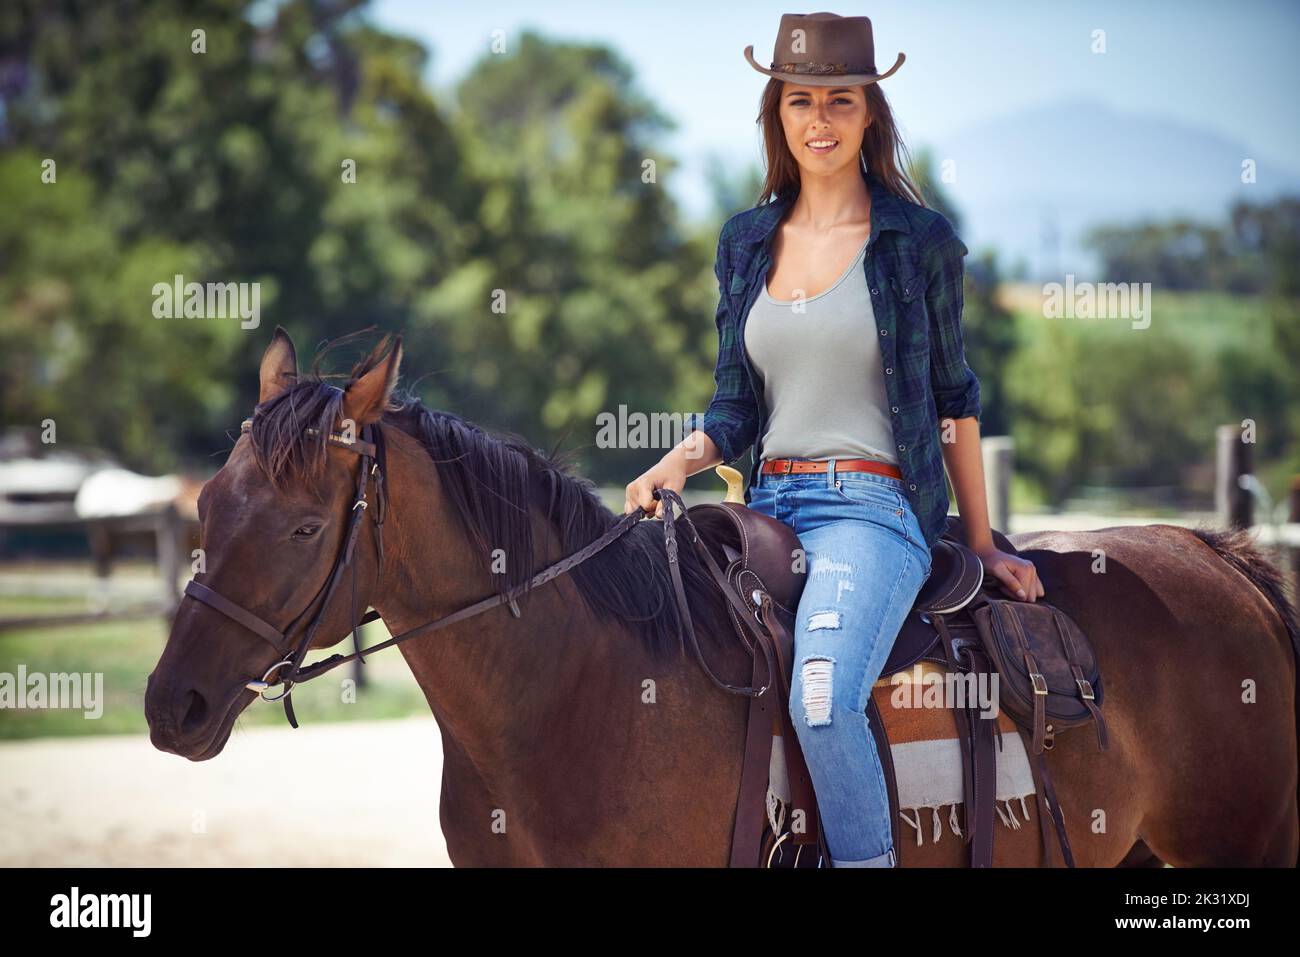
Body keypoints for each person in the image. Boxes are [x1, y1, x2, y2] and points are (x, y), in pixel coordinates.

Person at [624, 11, 1042, 867]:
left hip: (872, 510)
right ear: (777, 115)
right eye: (801, 100)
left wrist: (977, 541)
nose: (820, 119)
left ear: (870, 115)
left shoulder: (918, 244)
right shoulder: (744, 243)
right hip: (763, 507)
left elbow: (954, 402)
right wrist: (676, 460)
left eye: (841, 101)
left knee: (820, 694)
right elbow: (734, 409)